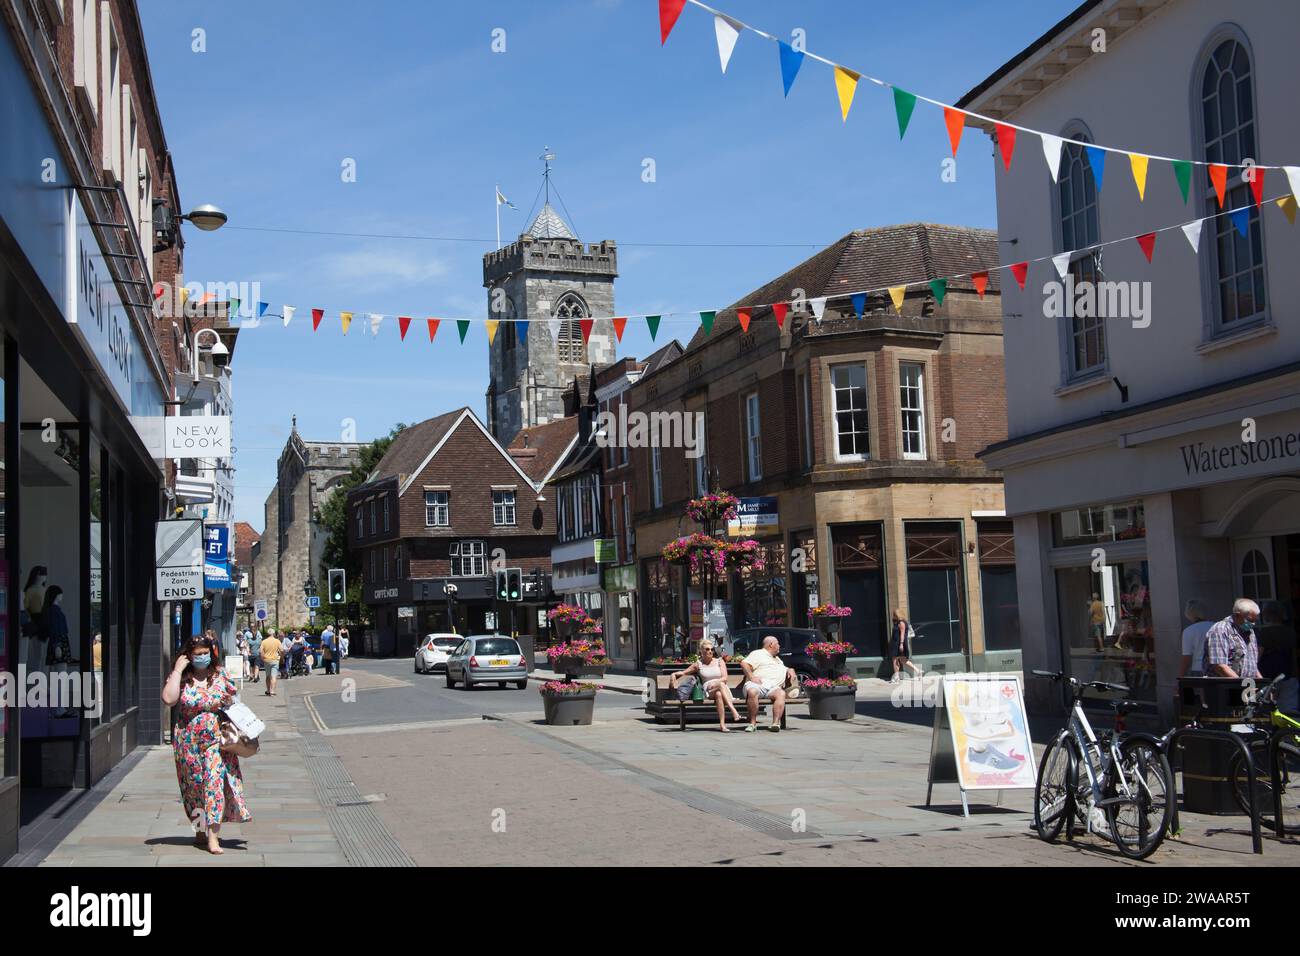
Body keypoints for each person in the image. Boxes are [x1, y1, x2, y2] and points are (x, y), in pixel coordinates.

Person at [161, 632, 252, 854]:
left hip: (216, 742)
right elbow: (168, 699)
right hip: (187, 743)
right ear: (188, 656)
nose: (203, 657)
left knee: (213, 785)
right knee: (193, 788)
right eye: (197, 654)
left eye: (206, 653)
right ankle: (200, 831)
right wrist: (177, 670)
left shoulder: (220, 676)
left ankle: (213, 837)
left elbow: (234, 702)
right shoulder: (182, 679)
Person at [670, 638, 742, 732]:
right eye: (707, 649)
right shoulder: (698, 664)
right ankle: (734, 711)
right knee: (719, 687)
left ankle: (722, 725)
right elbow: (683, 673)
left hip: (721, 688)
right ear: (701, 651)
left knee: (719, 694)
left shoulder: (720, 661)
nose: (710, 651)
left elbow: (725, 678)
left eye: (712, 649)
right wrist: (673, 674)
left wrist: (716, 682)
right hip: (708, 690)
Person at [740, 635, 796, 733]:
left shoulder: (777, 659)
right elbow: (744, 663)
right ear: (771, 645)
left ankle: (775, 724)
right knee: (752, 691)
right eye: (777, 643)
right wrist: (752, 677)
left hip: (773, 687)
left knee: (781, 694)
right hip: (757, 685)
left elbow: (785, 668)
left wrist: (790, 670)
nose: (779, 646)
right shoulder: (758, 653)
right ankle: (752, 724)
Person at [1203, 598, 1262, 680]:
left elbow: (1251, 665)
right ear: (1237, 615)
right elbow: (1219, 666)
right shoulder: (1221, 629)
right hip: (1225, 688)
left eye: (1255, 620)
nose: (1253, 624)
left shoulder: (1250, 632)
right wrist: (1241, 685)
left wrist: (1263, 685)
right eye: (1250, 620)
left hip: (1246, 688)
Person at [1179, 600, 1213, 677]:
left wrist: (1180, 678)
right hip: (1216, 669)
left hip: (1198, 669)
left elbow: (1186, 658)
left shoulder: (1189, 631)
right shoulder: (1216, 626)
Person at [889, 609, 922, 681]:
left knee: (895, 659)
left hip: (898, 643)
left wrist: (901, 644)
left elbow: (902, 634)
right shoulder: (897, 622)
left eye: (894, 614)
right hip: (896, 643)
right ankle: (918, 671)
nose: (893, 616)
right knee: (902, 660)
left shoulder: (901, 623)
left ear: (898, 615)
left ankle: (896, 677)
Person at [260, 629, 283, 696]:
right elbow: (282, 650)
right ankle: (272, 691)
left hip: (266, 660)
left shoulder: (264, 641)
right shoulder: (277, 641)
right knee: (273, 676)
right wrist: (281, 657)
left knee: (267, 676)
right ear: (274, 634)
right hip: (275, 660)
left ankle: (268, 690)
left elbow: (260, 651)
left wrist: (262, 659)